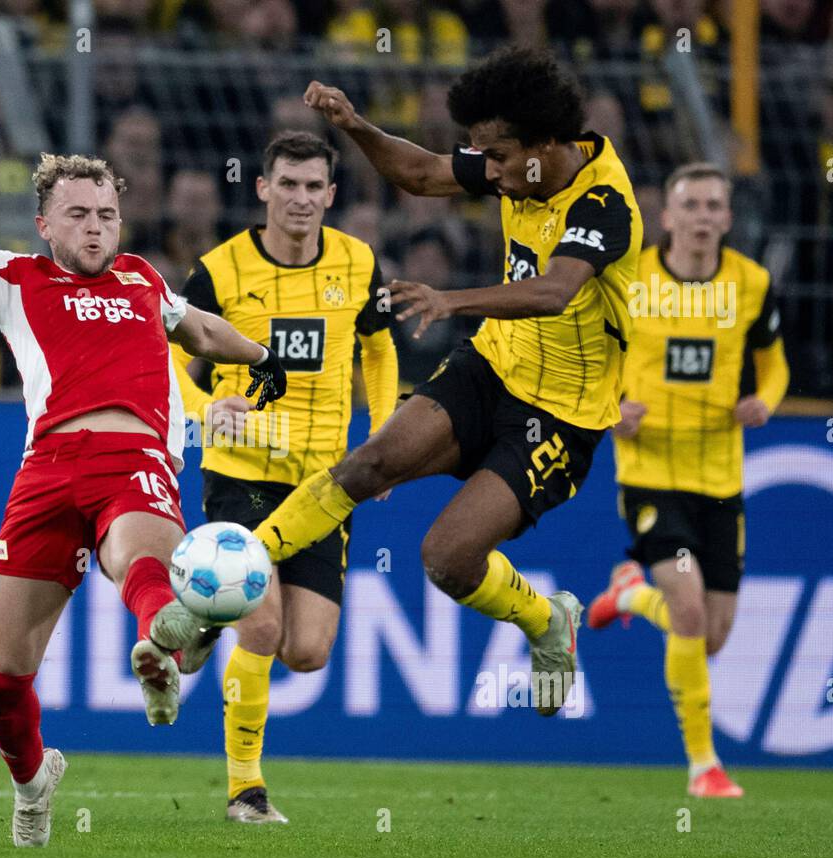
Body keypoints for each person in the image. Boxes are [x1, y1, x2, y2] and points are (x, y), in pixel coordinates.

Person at [0, 48, 287, 847]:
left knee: (144, 557)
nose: (97, 226)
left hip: (132, 460)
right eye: (79, 214)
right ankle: (35, 780)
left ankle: (164, 634)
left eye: (106, 213)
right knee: (3, 673)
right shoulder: (12, 278)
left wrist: (260, 355)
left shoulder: (143, 280)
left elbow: (198, 328)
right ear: (45, 223)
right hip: (45, 472)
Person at [251, 46, 644, 717]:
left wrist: (450, 300)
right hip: (493, 365)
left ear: (545, 147)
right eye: (481, 155)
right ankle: (245, 561)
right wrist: (354, 124)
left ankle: (547, 619)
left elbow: (554, 291)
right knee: (369, 464)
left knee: (447, 558)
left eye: (496, 157)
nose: (486, 171)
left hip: (563, 414)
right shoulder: (515, 164)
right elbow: (423, 172)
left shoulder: (604, 203)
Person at [170, 130, 399, 823]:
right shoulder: (219, 270)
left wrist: (386, 438)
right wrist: (209, 410)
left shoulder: (359, 263)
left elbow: (380, 352)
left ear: (330, 195)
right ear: (264, 189)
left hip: (323, 481)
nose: (301, 199)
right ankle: (246, 790)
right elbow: (170, 356)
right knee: (263, 630)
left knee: (307, 652)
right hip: (240, 473)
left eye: (314, 188)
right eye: (288, 185)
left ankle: (207, 617)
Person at [587, 163, 789, 798]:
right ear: (667, 218)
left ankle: (628, 594)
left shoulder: (751, 284)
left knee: (711, 635)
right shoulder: (632, 279)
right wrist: (610, 407)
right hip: (649, 472)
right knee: (691, 607)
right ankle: (704, 766)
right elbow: (594, 361)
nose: (702, 216)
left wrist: (768, 402)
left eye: (713, 206)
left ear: (727, 219)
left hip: (721, 477)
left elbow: (773, 365)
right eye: (690, 205)